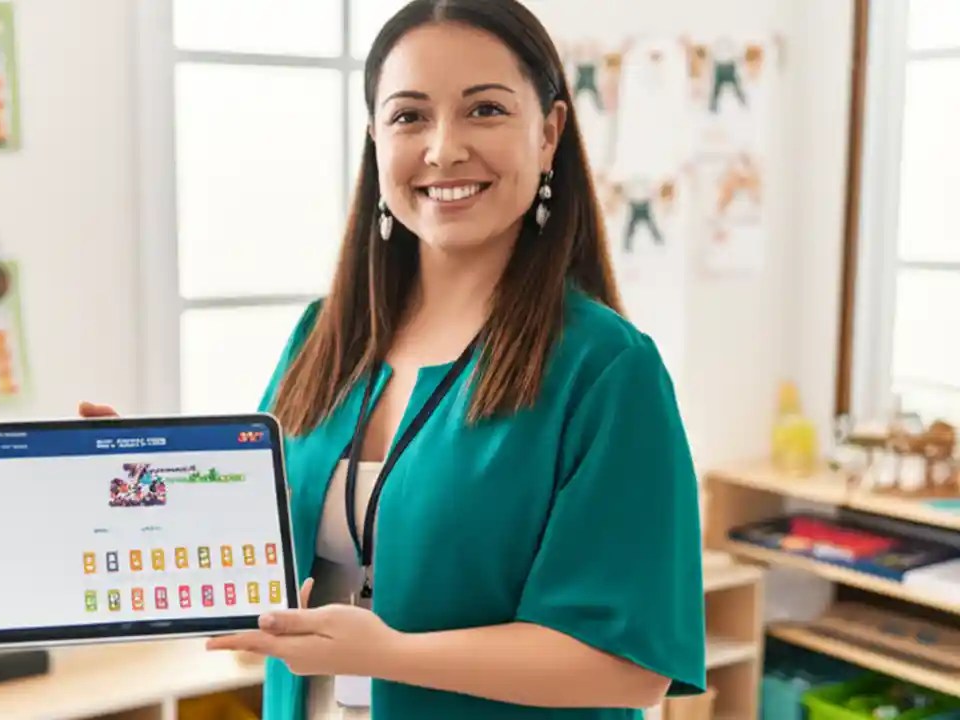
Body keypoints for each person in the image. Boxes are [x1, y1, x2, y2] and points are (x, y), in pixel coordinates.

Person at [81, 0, 705, 717]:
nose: (443, 149)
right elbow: (267, 565)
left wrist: (384, 654)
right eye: (410, 116)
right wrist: (156, 491)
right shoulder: (325, 336)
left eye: (485, 111)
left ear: (550, 133)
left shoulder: (606, 370)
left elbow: (626, 667)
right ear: (375, 137)